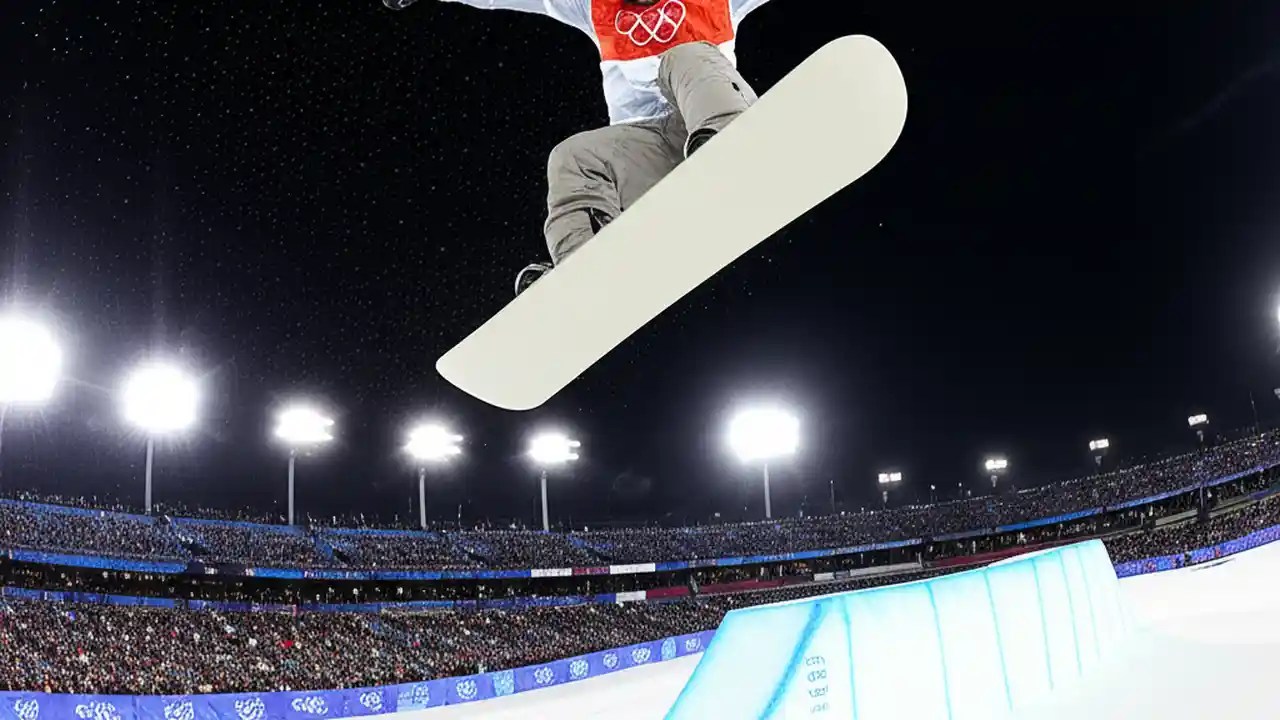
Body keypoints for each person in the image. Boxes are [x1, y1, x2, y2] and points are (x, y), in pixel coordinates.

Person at [384, 0, 775, 295]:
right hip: (655, 154)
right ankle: (580, 263)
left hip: (710, 116)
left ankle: (728, 142)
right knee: (571, 158)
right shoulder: (594, 8)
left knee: (684, 56)